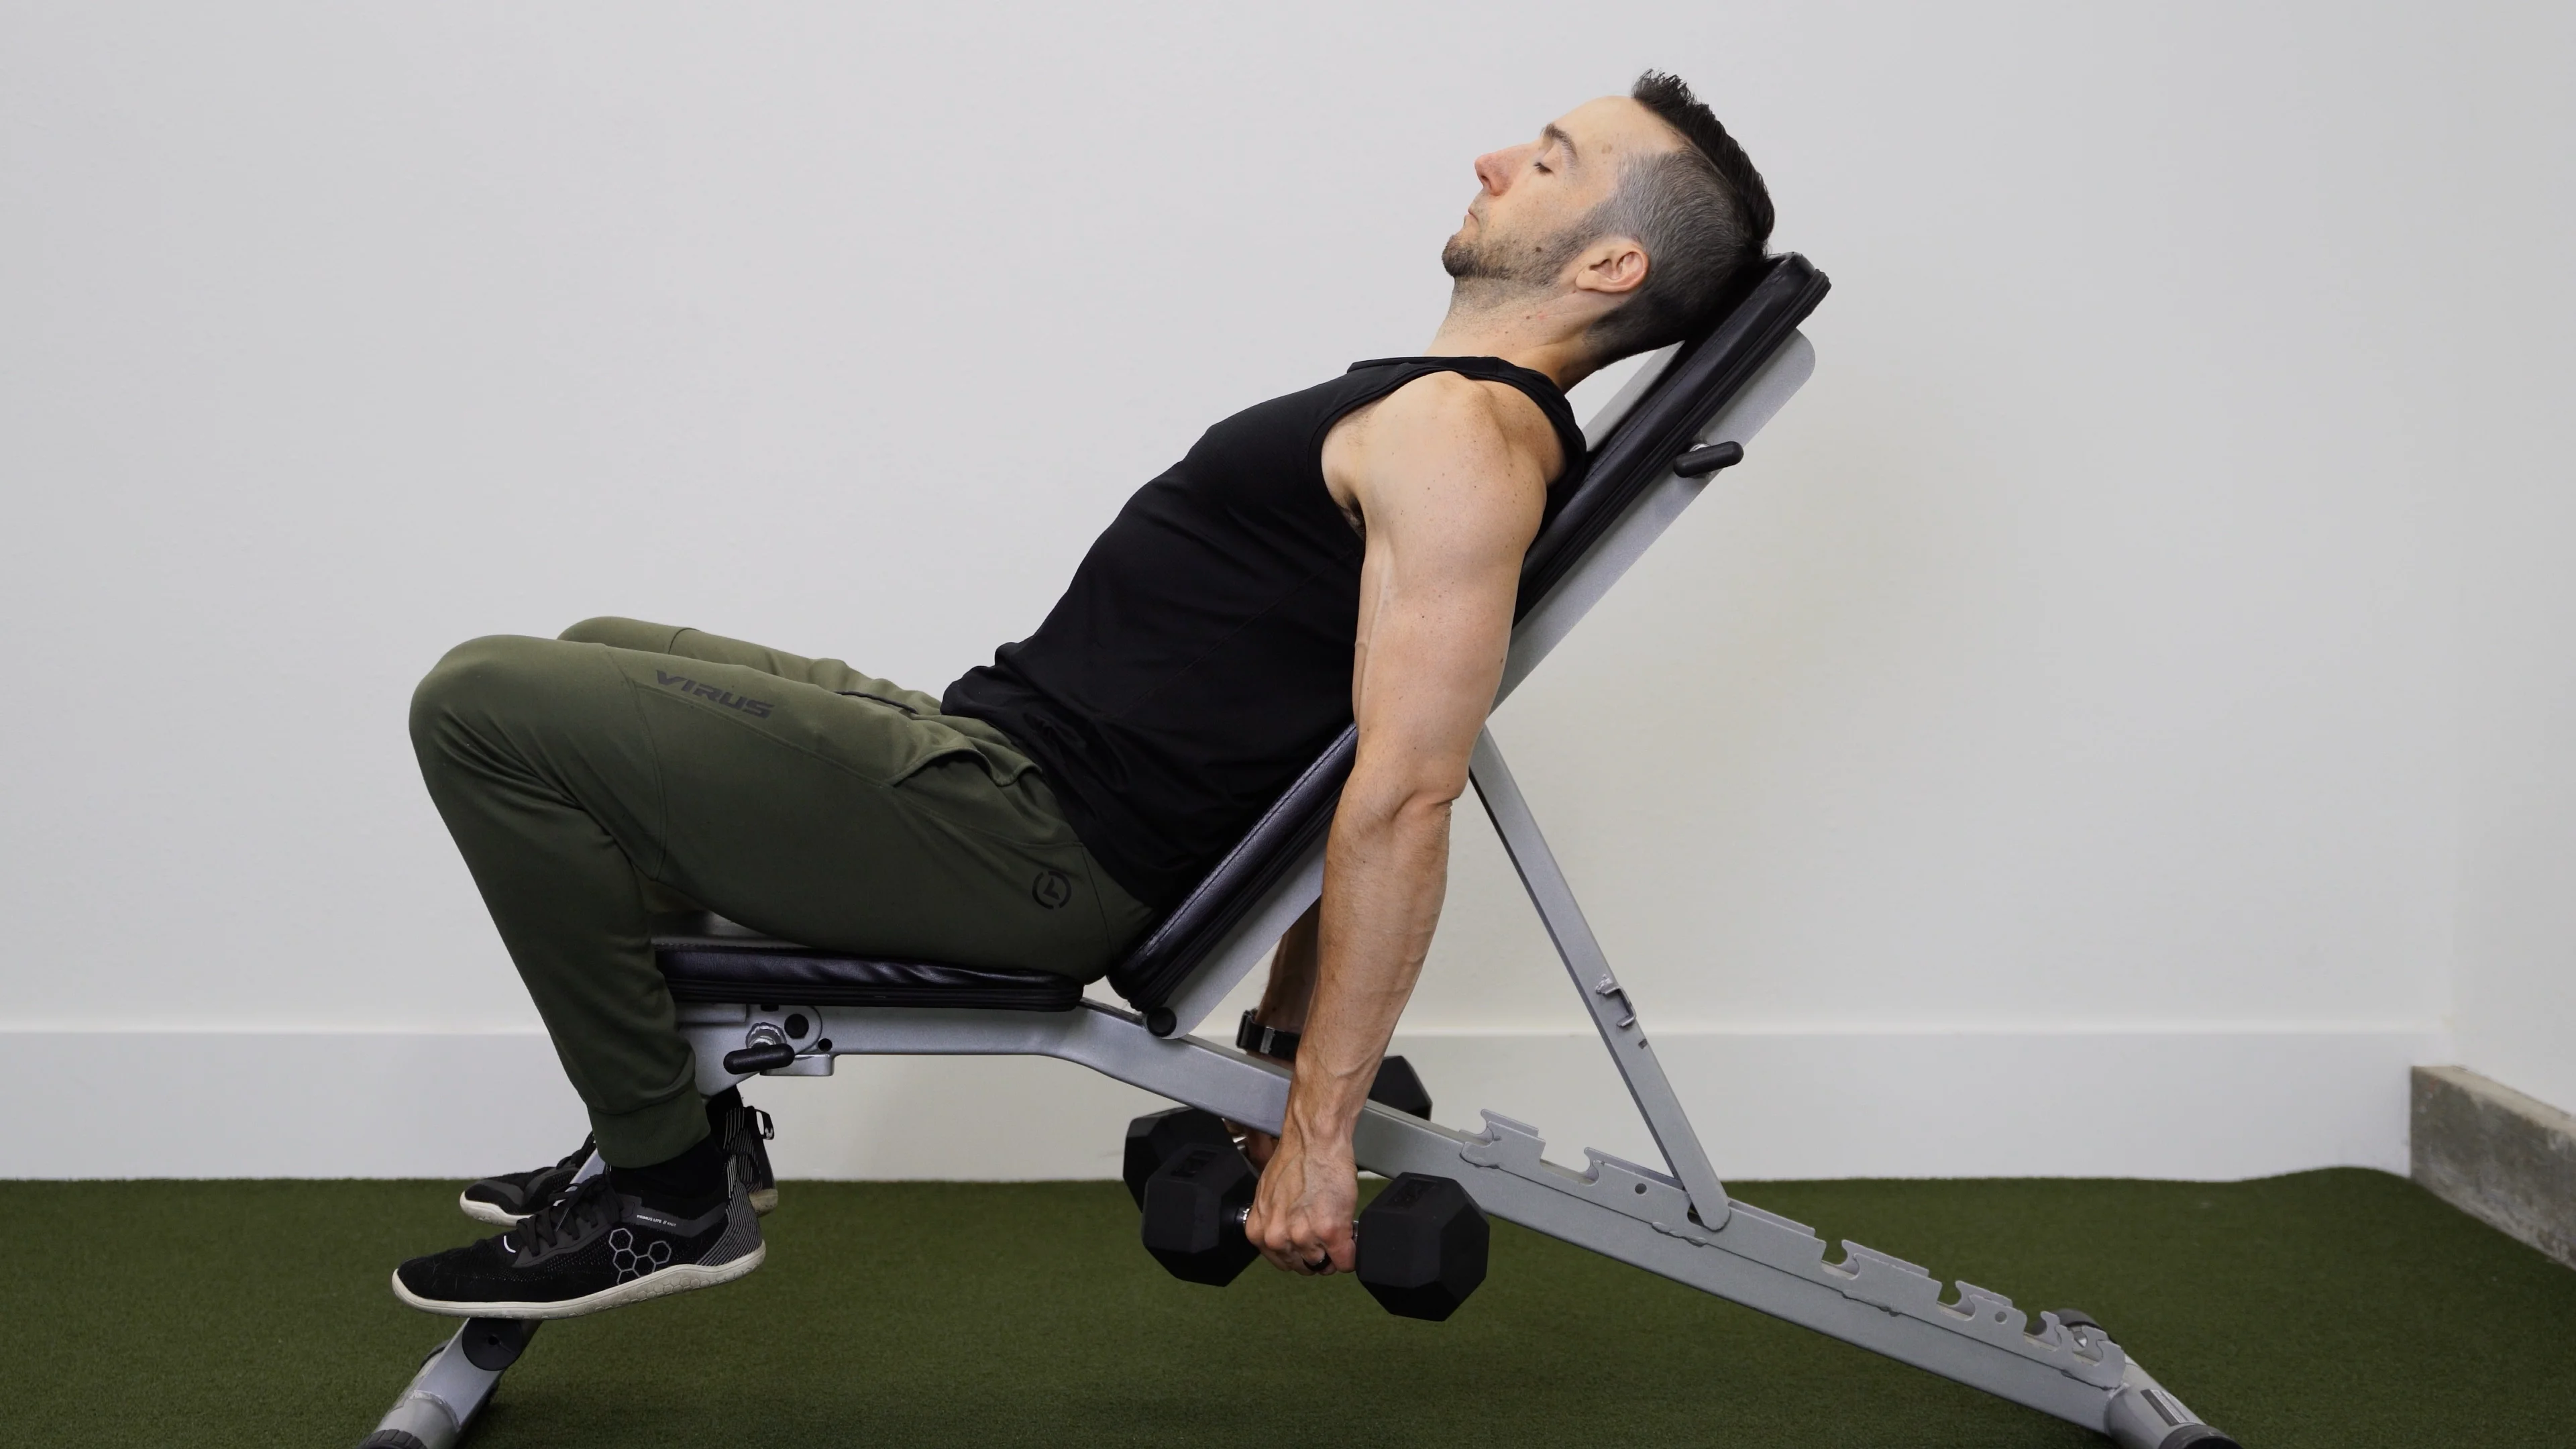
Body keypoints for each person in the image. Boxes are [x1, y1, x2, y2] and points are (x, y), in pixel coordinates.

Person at [394, 70, 1774, 1318]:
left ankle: (664, 1188)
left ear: (1609, 261)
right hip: (986, 757)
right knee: (590, 646)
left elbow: (1406, 789)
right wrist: (1281, 1049)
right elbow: (1348, 754)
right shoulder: (1443, 409)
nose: (1490, 159)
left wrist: (1317, 1126)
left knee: (485, 702)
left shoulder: (1469, 439)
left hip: (1033, 844)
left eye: (1545, 159)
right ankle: (677, 1124)